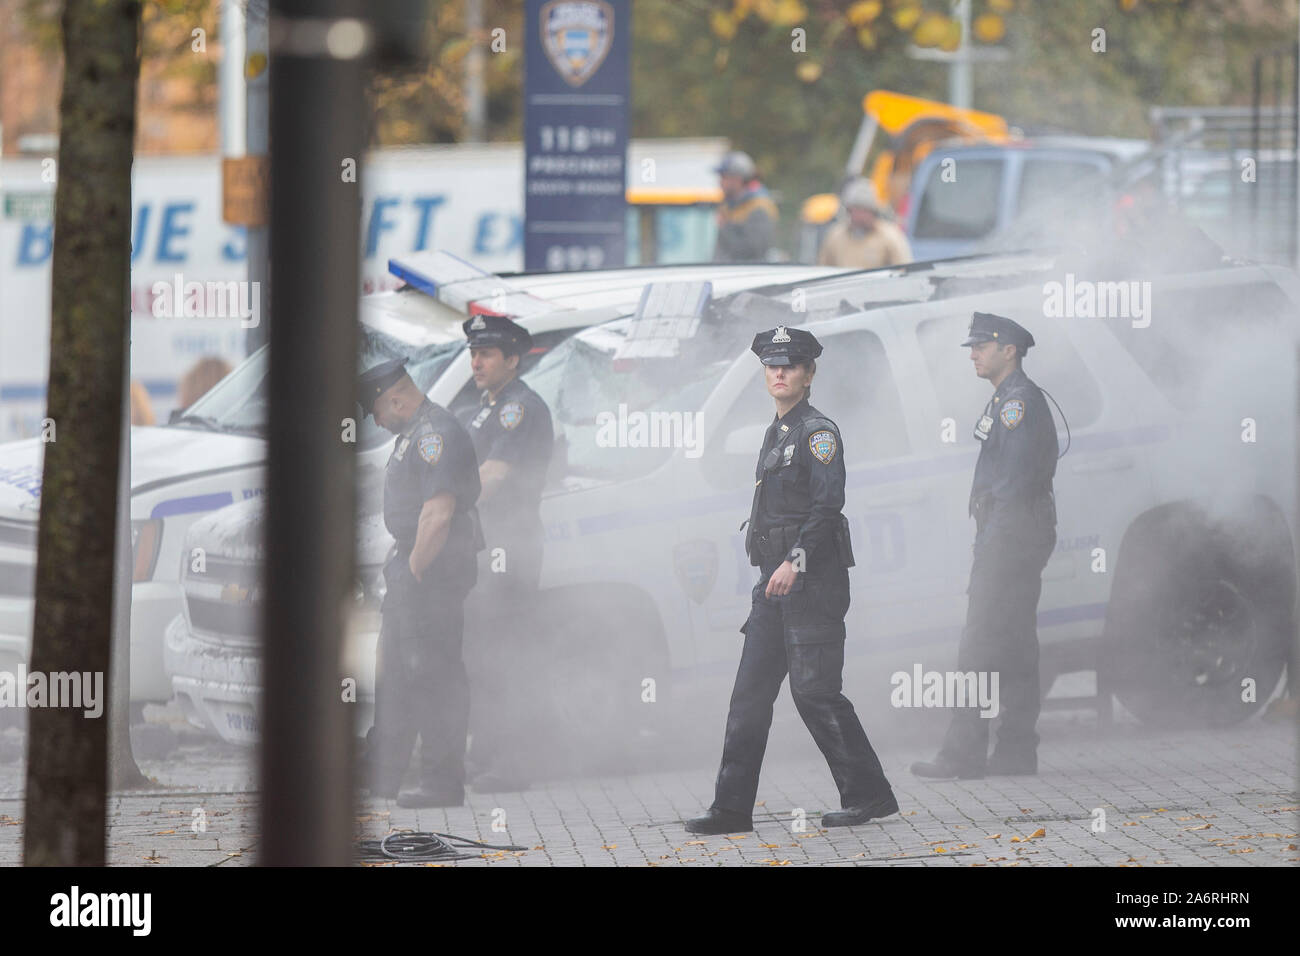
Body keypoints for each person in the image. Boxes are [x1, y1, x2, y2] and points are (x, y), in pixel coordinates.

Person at [686, 326, 898, 834]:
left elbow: (828, 508)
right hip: (773, 585)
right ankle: (731, 809)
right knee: (749, 695)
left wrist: (795, 560)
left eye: (789, 365)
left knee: (815, 693)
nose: (778, 373)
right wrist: (775, 568)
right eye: (771, 366)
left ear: (808, 374)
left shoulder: (818, 432)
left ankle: (868, 795)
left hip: (812, 582)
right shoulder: (777, 430)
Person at [912, 312, 1058, 779]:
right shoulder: (1009, 398)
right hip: (1017, 533)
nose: (973, 353)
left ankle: (963, 754)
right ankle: (1017, 751)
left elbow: (1012, 487)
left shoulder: (1017, 403)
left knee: (977, 645)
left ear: (1008, 350)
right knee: (1014, 644)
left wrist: (991, 550)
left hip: (1011, 535)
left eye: (981, 346)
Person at [357, 357, 483, 807]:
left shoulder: (435, 435)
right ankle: (384, 775)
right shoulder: (412, 434)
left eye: (375, 411)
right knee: (396, 670)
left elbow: (438, 513)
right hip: (414, 566)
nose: (374, 420)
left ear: (395, 398)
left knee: (435, 674)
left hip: (434, 569)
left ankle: (442, 782)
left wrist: (413, 573)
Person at [455, 314, 554, 792]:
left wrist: (441, 510)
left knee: (507, 654)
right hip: (484, 548)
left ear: (512, 359)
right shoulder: (488, 405)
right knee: (482, 654)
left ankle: (515, 762)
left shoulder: (519, 408)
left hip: (508, 551)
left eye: (487, 354)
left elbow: (491, 477)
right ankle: (486, 753)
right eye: (474, 353)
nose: (476, 361)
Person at [816, 178, 911, 269]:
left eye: (864, 211)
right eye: (856, 210)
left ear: (873, 212)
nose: (859, 216)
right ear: (849, 211)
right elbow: (823, 268)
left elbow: (903, 271)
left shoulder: (890, 236)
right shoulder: (836, 235)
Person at [713, 151, 779, 264]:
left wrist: (726, 226)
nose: (720, 182)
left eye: (724, 177)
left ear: (737, 179)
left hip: (748, 276)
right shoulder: (729, 205)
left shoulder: (759, 207)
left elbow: (753, 251)